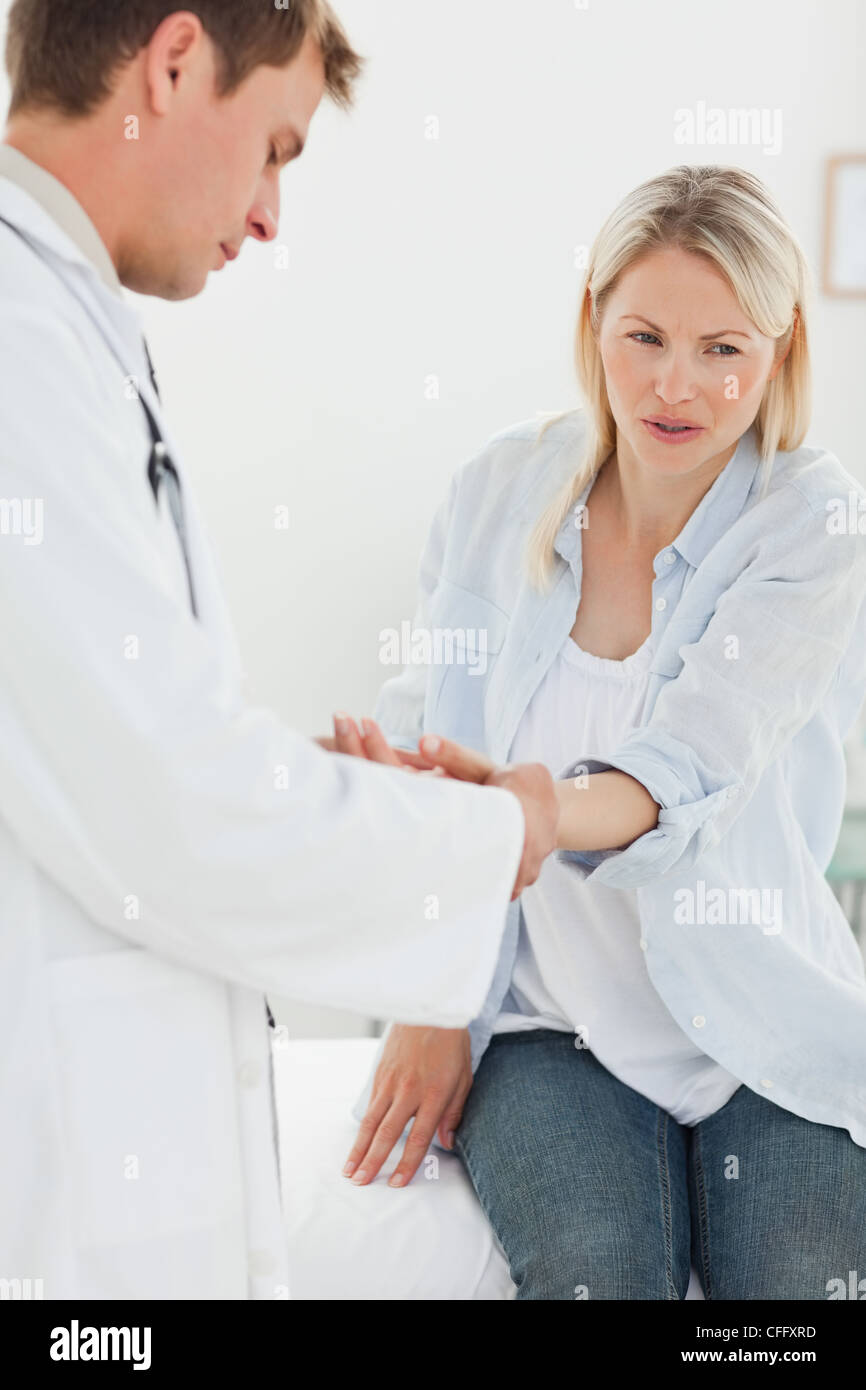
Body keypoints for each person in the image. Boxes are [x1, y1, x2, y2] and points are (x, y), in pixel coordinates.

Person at [0, 0, 559, 1300]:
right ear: (177, 61)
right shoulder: (22, 347)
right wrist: (494, 834)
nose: (267, 216)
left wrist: (324, 793)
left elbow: (117, 743)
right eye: (275, 151)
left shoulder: (69, 331)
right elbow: (171, 803)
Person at [343, 165, 866, 1299]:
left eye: (722, 348)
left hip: (760, 1027)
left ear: (776, 349)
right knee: (594, 1274)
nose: (676, 385)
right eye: (643, 336)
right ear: (591, 321)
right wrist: (430, 999)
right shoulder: (495, 491)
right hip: (550, 1028)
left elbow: (686, 763)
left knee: (801, 1291)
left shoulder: (810, 523)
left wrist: (535, 808)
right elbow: (428, 730)